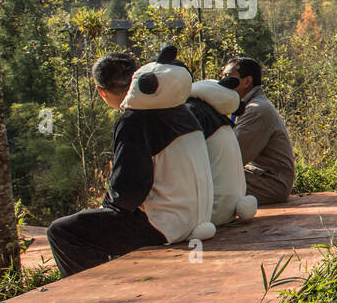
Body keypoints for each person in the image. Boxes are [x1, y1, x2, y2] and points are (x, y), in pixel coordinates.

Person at [47, 49, 216, 277]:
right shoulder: (182, 111)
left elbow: (128, 192)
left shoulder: (134, 120)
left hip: (164, 226)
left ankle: (93, 286)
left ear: (101, 92)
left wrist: (106, 208)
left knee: (62, 231)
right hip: (197, 218)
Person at [221, 57, 295, 204]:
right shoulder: (247, 106)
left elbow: (234, 156)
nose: (222, 81)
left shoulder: (256, 110)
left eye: (228, 77)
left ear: (247, 81)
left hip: (271, 182)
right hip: (261, 175)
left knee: (209, 183)